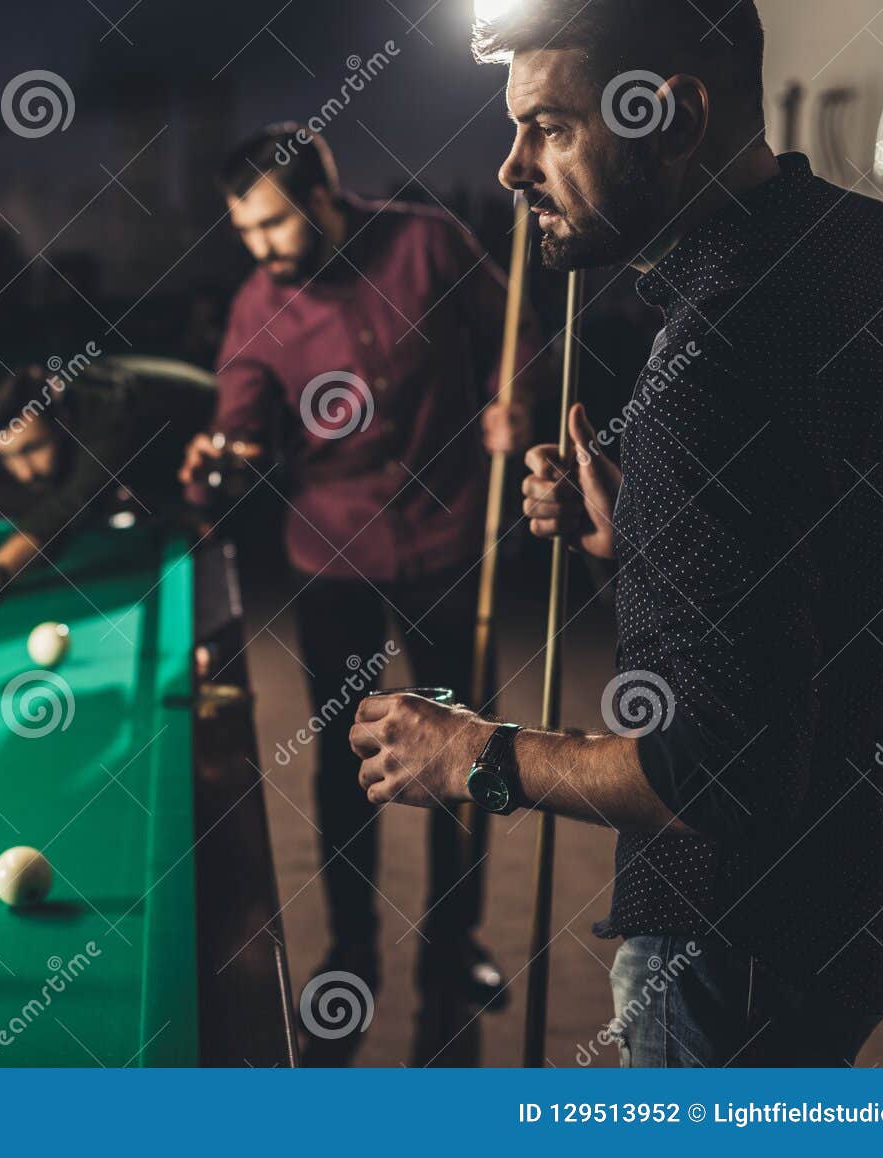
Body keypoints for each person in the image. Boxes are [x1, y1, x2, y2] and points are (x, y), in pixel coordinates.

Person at [352, 0, 883, 1067]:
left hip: (736, 936)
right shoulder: (869, 245)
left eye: (550, 127)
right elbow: (831, 581)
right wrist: (646, 539)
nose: (510, 167)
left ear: (672, 117)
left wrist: (470, 755)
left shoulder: (716, 357)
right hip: (874, 886)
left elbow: (719, 771)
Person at [180, 126, 550, 1065]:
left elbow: (515, 329)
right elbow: (239, 420)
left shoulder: (426, 240)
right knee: (349, 756)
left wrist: (512, 397)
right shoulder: (257, 305)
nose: (259, 246)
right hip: (331, 548)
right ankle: (350, 948)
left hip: (448, 533)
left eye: (272, 224)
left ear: (321, 197)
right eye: (244, 230)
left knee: (467, 745)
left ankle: (454, 941)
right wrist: (228, 455)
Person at [0, 356, 215, 615]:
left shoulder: (110, 411)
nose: (25, 472)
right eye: (8, 456)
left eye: (32, 449)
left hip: (226, 438)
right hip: (174, 465)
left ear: (63, 422)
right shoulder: (68, 411)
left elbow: (69, 506)